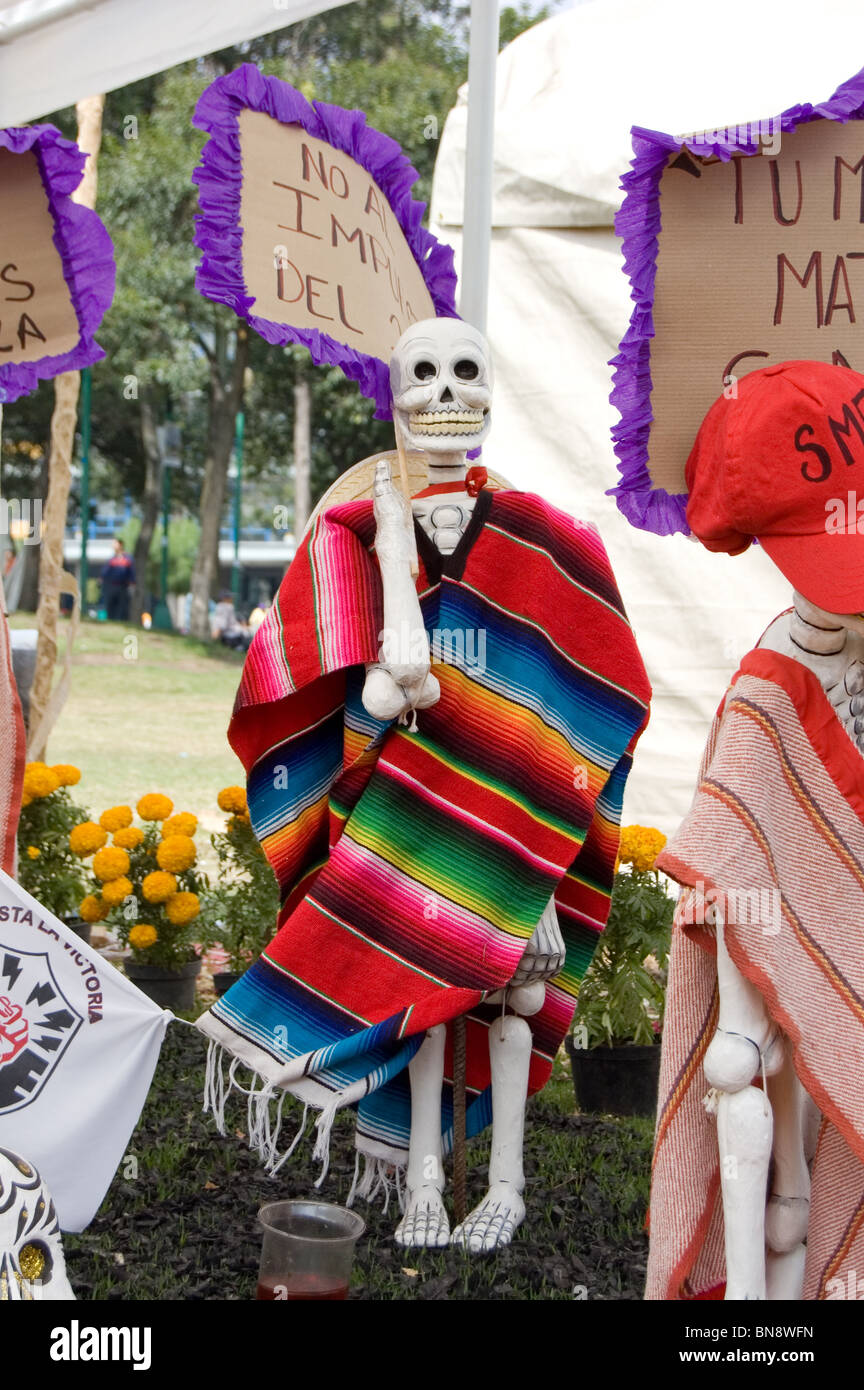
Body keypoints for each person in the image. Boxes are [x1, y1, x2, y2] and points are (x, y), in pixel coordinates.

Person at [100, 538, 135, 622]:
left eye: (115, 543)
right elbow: (105, 572)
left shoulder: (127, 559)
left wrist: (132, 583)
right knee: (110, 606)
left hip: (123, 587)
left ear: (120, 545)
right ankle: (110, 621)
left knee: (122, 607)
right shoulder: (112, 559)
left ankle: (122, 621)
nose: (113, 545)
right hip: (111, 586)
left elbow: (132, 572)